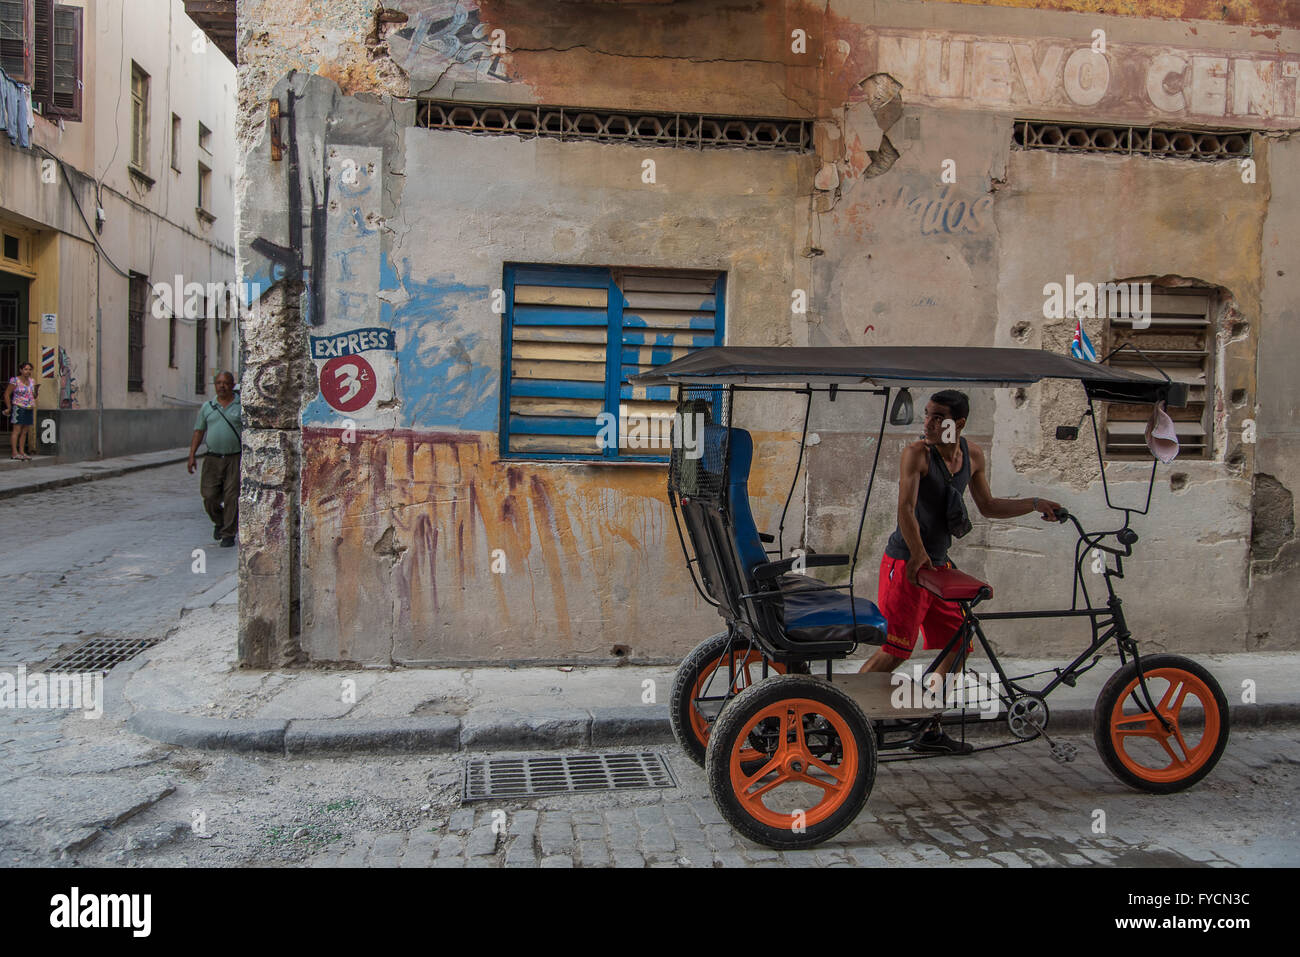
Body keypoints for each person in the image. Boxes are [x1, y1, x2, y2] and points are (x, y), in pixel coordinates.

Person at [858, 390, 1061, 754]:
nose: (929, 424)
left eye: (938, 418)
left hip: (938, 567)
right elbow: (904, 509)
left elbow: (989, 505)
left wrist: (1033, 503)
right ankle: (841, 718)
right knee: (895, 651)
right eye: (927, 416)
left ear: (959, 423)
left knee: (959, 642)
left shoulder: (973, 455)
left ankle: (930, 726)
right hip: (907, 564)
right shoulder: (916, 455)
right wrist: (919, 554)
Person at [188, 371, 242, 547]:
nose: (222, 386)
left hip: (234, 457)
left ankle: (228, 533)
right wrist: (192, 455)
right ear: (215, 386)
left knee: (232, 496)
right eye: (218, 383)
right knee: (209, 496)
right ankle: (219, 521)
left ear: (232, 385)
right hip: (213, 458)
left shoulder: (240, 406)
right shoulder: (208, 407)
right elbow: (199, 431)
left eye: (226, 383)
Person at [3, 362, 39, 461]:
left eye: (29, 369)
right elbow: (6, 394)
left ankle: (22, 452)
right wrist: (9, 407)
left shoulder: (32, 381)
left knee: (24, 431)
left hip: (29, 407)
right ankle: (14, 452)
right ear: (21, 370)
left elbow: (33, 396)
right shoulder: (15, 381)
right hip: (18, 407)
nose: (28, 371)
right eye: (25, 369)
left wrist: (36, 392)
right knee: (17, 430)